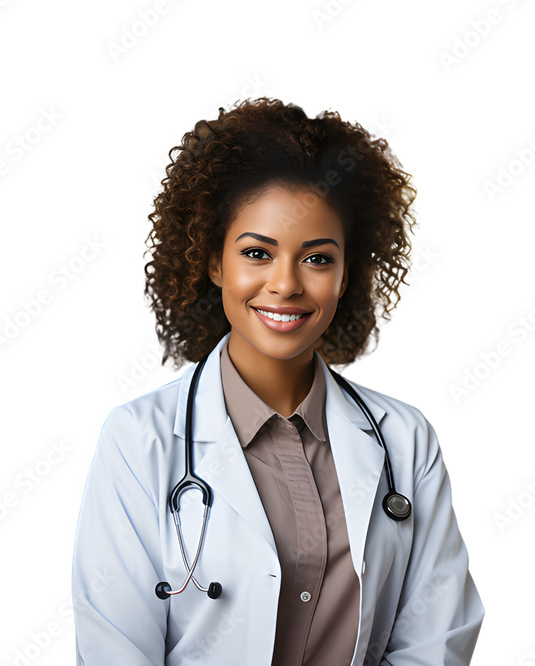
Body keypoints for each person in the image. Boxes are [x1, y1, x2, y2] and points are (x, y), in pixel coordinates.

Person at [72, 97, 484, 665]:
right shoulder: (138, 442)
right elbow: (116, 650)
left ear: (347, 274)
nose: (285, 284)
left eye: (316, 259)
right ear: (214, 263)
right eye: (257, 253)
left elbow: (435, 642)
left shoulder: (405, 441)